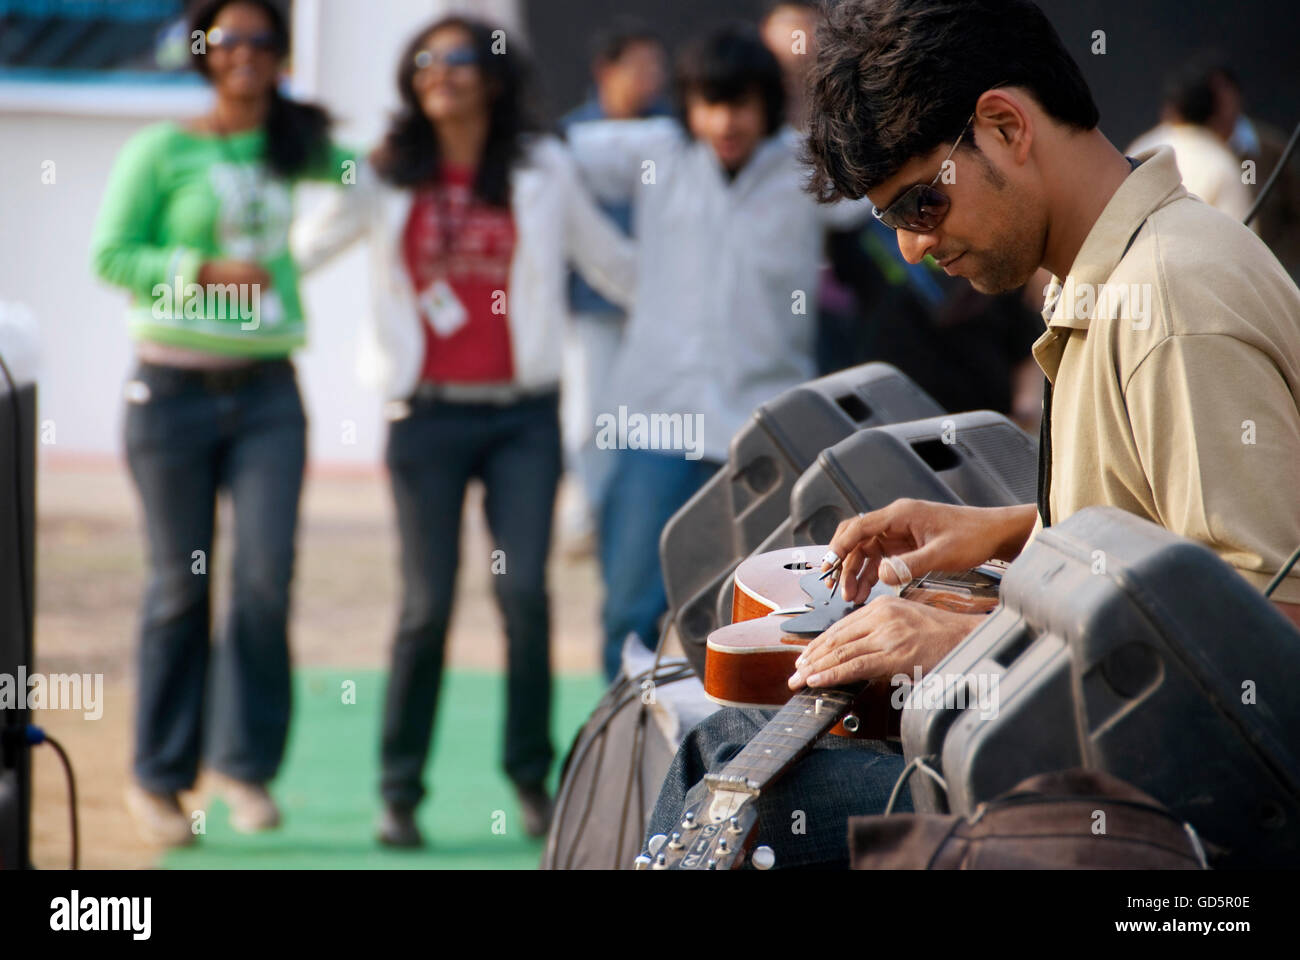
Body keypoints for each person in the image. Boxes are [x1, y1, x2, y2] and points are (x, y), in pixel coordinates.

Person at [648, 0, 1300, 869]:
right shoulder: (1118, 272)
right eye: (892, 220)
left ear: (1004, 125)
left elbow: (1272, 636)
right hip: (1105, 770)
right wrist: (1009, 530)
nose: (913, 248)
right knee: (726, 745)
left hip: (1175, 834)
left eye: (921, 201)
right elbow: (1169, 556)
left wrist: (968, 644)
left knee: (739, 790)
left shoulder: (1173, 301)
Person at [290, 15, 635, 848]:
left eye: (457, 59)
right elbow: (301, 250)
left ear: (492, 75)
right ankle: (398, 791)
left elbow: (613, 266)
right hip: (427, 416)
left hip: (521, 415)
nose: (439, 73)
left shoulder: (541, 166)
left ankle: (530, 782)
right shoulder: (386, 172)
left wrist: (703, 318)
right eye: (424, 62)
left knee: (522, 596)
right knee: (425, 606)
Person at [89, 0, 352, 848]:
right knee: (180, 587)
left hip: (271, 396)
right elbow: (111, 255)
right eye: (228, 39)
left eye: (262, 40)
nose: (245, 53)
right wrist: (198, 269)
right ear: (203, 51)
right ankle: (160, 780)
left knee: (265, 579)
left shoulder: (296, 147)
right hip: (172, 395)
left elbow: (372, 181)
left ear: (280, 55)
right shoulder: (160, 150)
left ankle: (246, 767)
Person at [565, 24, 871, 683]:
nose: (725, 120)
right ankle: (626, 760)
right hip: (656, 421)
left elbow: (876, 188)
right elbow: (549, 163)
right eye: (709, 102)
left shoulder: (805, 162)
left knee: (760, 616)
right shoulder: (656, 153)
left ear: (769, 103)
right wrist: (616, 271)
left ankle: (735, 769)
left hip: (763, 433)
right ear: (686, 104)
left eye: (740, 103)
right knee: (629, 609)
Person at [557, 21, 671, 555]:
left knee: (655, 415)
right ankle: (589, 517)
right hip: (592, 304)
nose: (653, 77)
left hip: (659, 307)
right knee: (591, 417)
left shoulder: (674, 133)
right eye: (640, 66)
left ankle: (642, 520)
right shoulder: (568, 137)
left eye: (657, 66)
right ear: (607, 70)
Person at [1128, 59, 1253, 220]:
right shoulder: (1223, 165)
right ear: (1215, 114)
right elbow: (1242, 238)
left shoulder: (1141, 148)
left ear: (1174, 108)